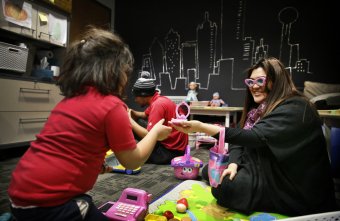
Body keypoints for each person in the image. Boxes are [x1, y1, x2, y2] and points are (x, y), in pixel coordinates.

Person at [7, 27, 172, 221]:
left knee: (82, 200)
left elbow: (64, 146)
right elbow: (132, 160)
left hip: (19, 193)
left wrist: (93, 165)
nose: (127, 78)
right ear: (115, 71)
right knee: (86, 206)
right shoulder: (112, 106)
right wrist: (155, 134)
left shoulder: (69, 101)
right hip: (49, 204)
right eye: (126, 72)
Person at [169, 57, 337, 216]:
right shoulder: (255, 112)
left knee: (223, 187)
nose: (254, 86)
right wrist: (234, 163)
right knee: (211, 172)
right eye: (250, 81)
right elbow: (238, 141)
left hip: (289, 184)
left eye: (260, 80)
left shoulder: (297, 106)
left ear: (277, 81)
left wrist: (203, 127)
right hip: (260, 167)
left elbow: (254, 137)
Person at [129, 72, 188, 164]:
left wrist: (129, 120)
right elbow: (144, 115)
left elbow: (148, 135)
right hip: (175, 147)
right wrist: (130, 112)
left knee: (135, 157)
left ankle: (129, 151)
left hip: (170, 152)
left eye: (136, 97)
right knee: (138, 121)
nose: (135, 100)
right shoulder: (159, 99)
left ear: (143, 95)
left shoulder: (157, 105)